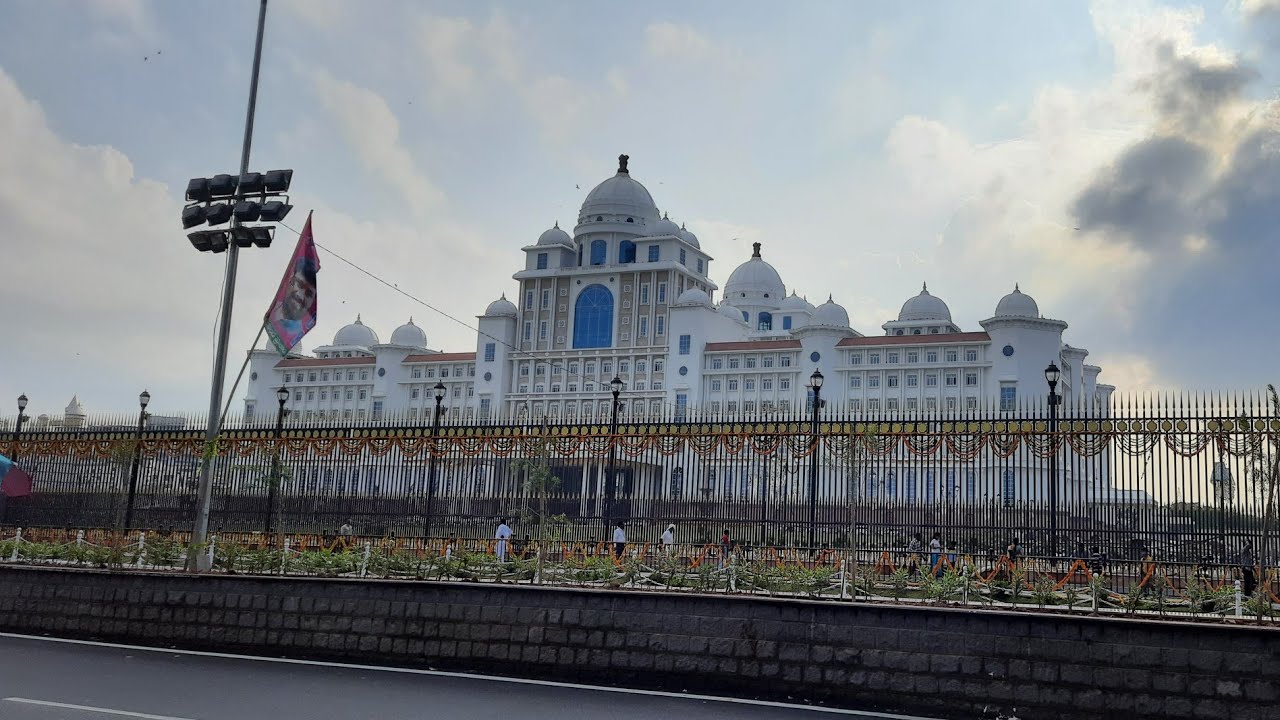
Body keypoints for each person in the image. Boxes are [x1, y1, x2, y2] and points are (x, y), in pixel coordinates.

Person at [266, 256, 319, 350]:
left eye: (309, 294)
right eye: (299, 285)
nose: (300, 295)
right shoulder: (272, 318)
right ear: (289, 281)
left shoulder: (295, 334)